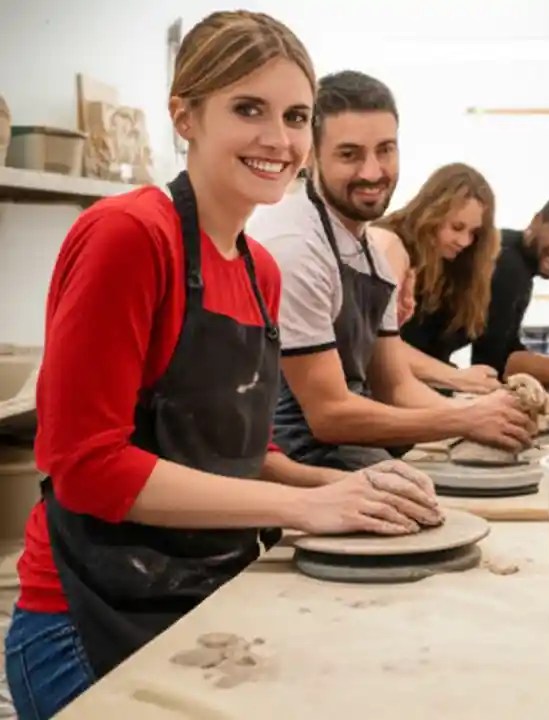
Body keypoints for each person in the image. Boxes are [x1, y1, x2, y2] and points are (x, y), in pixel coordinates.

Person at [2, 13, 441, 718]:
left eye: (296, 116)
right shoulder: (129, 235)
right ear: (185, 115)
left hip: (204, 590)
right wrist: (304, 506)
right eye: (248, 109)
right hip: (84, 620)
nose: (280, 140)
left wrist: (354, 485)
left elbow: (239, 452)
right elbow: (84, 466)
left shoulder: (259, 269)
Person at [249, 73, 533, 471]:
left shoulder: (370, 255)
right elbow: (327, 414)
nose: (372, 171)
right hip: (289, 459)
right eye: (349, 154)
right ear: (310, 155)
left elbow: (395, 385)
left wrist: (491, 415)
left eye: (385, 150)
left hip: (344, 445)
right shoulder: (297, 246)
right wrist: (461, 418)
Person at [375, 190, 549, 388]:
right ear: (537, 220)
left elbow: (507, 350)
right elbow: (499, 365)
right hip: (400, 379)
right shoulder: (510, 266)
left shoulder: (514, 261)